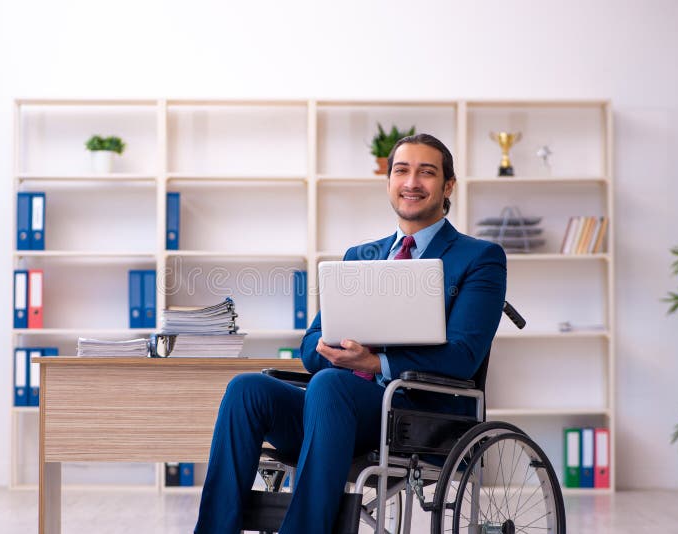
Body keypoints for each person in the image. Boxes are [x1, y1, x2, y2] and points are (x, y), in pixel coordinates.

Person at [194, 133, 507, 533]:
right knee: (246, 389)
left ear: (447, 186)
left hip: (419, 414)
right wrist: (328, 348)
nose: (412, 182)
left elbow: (464, 355)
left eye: (426, 173)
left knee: (328, 386)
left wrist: (376, 362)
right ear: (389, 182)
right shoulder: (362, 256)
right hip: (337, 409)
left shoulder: (479, 257)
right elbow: (310, 344)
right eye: (401, 171)